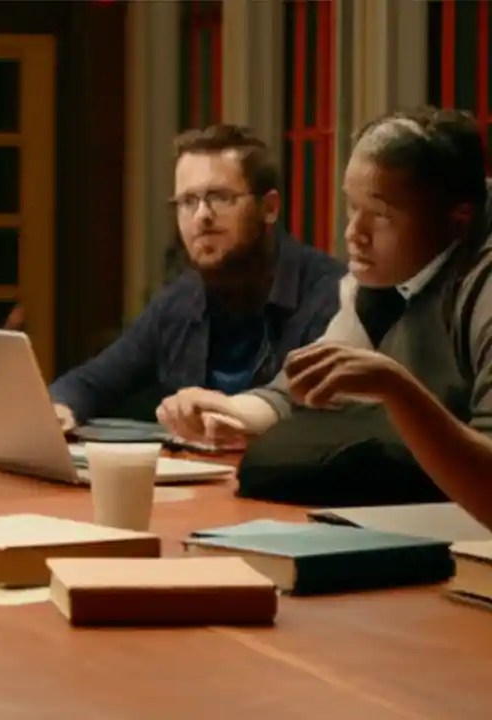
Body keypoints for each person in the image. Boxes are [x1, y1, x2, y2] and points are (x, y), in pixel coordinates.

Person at [159, 108, 492, 520]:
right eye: (352, 207)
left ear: (458, 218)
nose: (354, 233)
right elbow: (309, 382)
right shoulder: (385, 272)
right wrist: (231, 413)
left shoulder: (482, 284)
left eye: (380, 215)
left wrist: (398, 391)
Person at [47, 124, 345, 430]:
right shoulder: (179, 300)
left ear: (269, 208)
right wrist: (61, 408)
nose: (202, 216)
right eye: (188, 201)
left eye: (220, 197)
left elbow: (317, 417)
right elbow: (93, 381)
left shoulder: (331, 294)